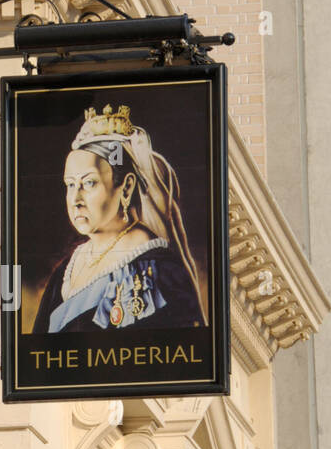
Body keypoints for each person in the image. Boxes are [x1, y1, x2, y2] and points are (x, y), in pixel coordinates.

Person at [31, 103, 206, 334]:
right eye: (70, 185)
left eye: (89, 183)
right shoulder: (65, 271)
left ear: (126, 187)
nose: (75, 199)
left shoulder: (159, 270)